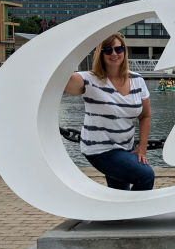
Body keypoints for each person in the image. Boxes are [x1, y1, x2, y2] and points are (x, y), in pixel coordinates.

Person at [64, 32, 154, 191]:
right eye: (108, 50)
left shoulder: (137, 80)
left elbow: (145, 115)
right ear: (101, 53)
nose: (114, 54)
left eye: (119, 49)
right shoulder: (89, 79)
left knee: (119, 194)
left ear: (124, 52)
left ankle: (123, 214)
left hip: (126, 147)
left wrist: (142, 147)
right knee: (146, 175)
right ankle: (134, 212)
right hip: (100, 150)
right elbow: (65, 80)